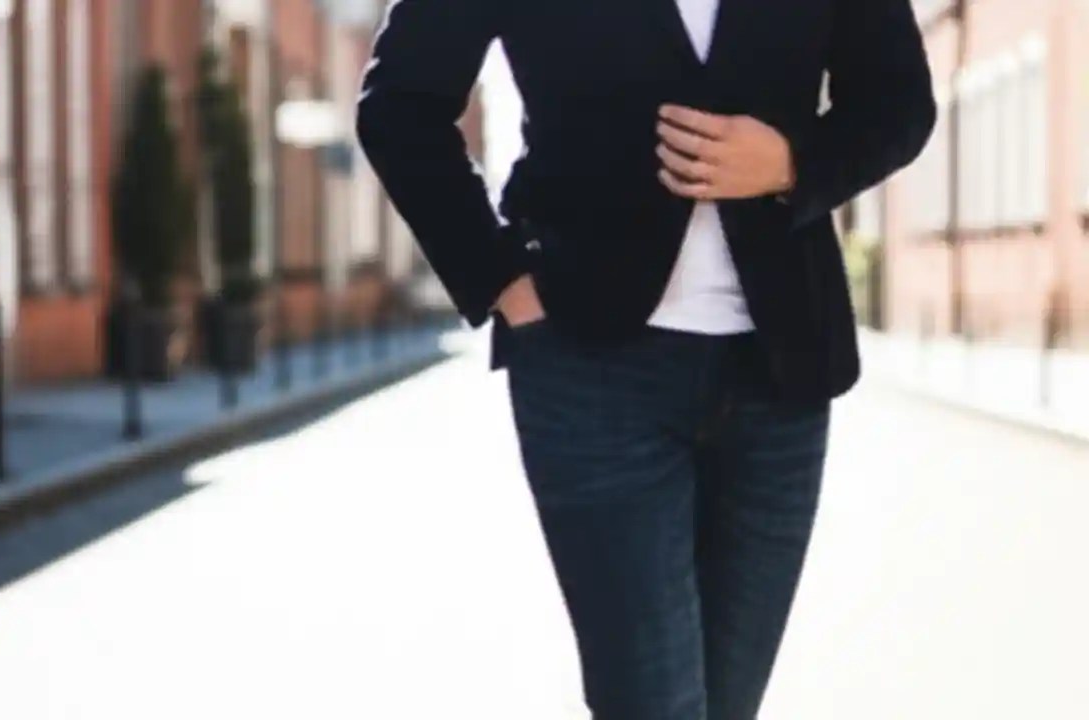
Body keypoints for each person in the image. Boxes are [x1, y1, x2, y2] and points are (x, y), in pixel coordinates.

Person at [356, 0, 934, 717]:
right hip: (590, 368)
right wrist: (501, 280)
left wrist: (794, 162)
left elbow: (898, 102)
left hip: (777, 373)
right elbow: (400, 104)